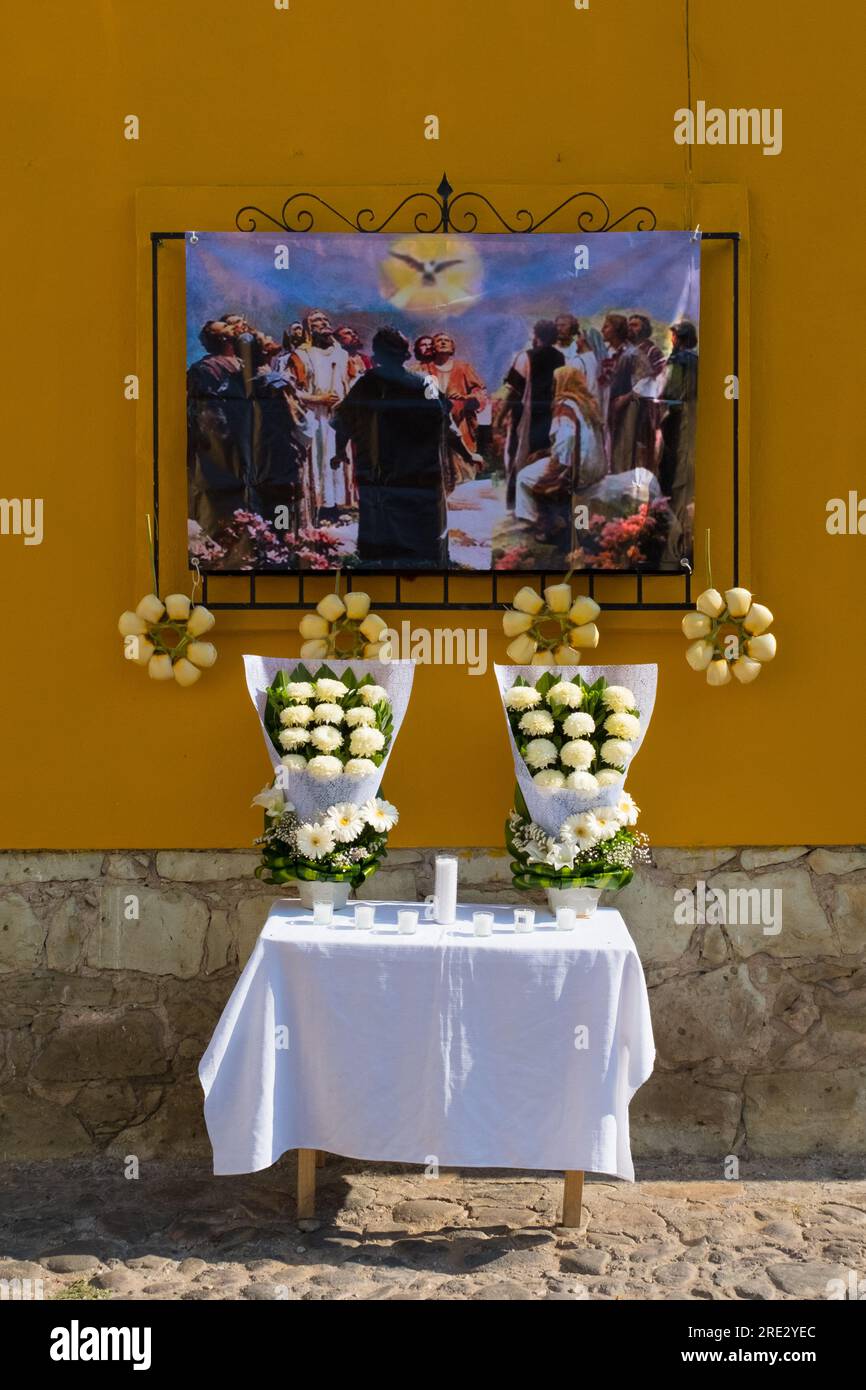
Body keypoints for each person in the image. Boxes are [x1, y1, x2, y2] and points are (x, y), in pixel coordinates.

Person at [332, 327, 475, 569]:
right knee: (421, 531)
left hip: (380, 471)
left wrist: (339, 452)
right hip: (419, 472)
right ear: (404, 355)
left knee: (380, 533)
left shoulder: (366, 384)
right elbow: (447, 424)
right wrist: (465, 452)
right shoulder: (424, 383)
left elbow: (343, 423)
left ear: (378, 354)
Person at [514, 365, 606, 544]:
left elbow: (567, 439)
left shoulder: (564, 405)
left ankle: (544, 525)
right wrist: (548, 453)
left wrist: (558, 467)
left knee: (525, 478)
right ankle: (575, 529)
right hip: (595, 466)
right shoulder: (587, 404)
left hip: (575, 467)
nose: (553, 386)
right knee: (540, 467)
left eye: (556, 382)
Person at [187, 319, 251, 535]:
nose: (234, 328)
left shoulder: (244, 363)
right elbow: (205, 410)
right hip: (222, 439)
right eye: (227, 327)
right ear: (222, 337)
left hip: (247, 435)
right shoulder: (205, 368)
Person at [502, 319, 565, 507]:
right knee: (543, 454)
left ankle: (516, 502)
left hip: (526, 414)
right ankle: (540, 500)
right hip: (550, 413)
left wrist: (499, 416)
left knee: (518, 453)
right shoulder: (560, 358)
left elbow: (514, 389)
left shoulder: (526, 357)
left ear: (536, 335)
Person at [294, 310, 351, 517]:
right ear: (309, 329)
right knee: (317, 458)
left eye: (325, 319)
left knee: (336, 456)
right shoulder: (301, 355)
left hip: (338, 415)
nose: (324, 322)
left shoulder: (342, 355)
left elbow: (350, 383)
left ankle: (335, 505)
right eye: (317, 320)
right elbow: (290, 390)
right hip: (313, 415)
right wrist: (319, 399)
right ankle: (318, 506)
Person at [426, 332, 486, 484]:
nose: (443, 343)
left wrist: (467, 398)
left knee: (462, 467)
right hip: (435, 424)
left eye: (447, 341)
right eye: (439, 341)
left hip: (462, 422)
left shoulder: (463, 367)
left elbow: (479, 391)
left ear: (452, 347)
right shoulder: (426, 368)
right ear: (433, 346)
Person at [659, 319, 699, 540]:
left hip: (678, 416)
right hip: (692, 414)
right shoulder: (697, 360)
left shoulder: (678, 360)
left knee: (672, 464)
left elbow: (671, 390)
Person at [598, 313, 642, 473]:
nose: (602, 329)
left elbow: (645, 381)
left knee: (622, 446)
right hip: (605, 404)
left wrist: (626, 397)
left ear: (616, 330)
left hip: (626, 406)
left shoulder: (632, 353)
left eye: (607, 326)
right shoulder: (604, 352)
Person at [627, 313, 666, 472]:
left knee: (643, 442)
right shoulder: (626, 349)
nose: (630, 329)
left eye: (635, 325)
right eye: (629, 325)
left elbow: (659, 378)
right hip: (628, 403)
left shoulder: (652, 351)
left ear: (644, 329)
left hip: (645, 403)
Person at [554, 313, 600, 399]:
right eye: (557, 326)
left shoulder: (579, 349)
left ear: (572, 328)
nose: (559, 329)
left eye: (563, 325)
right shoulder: (553, 350)